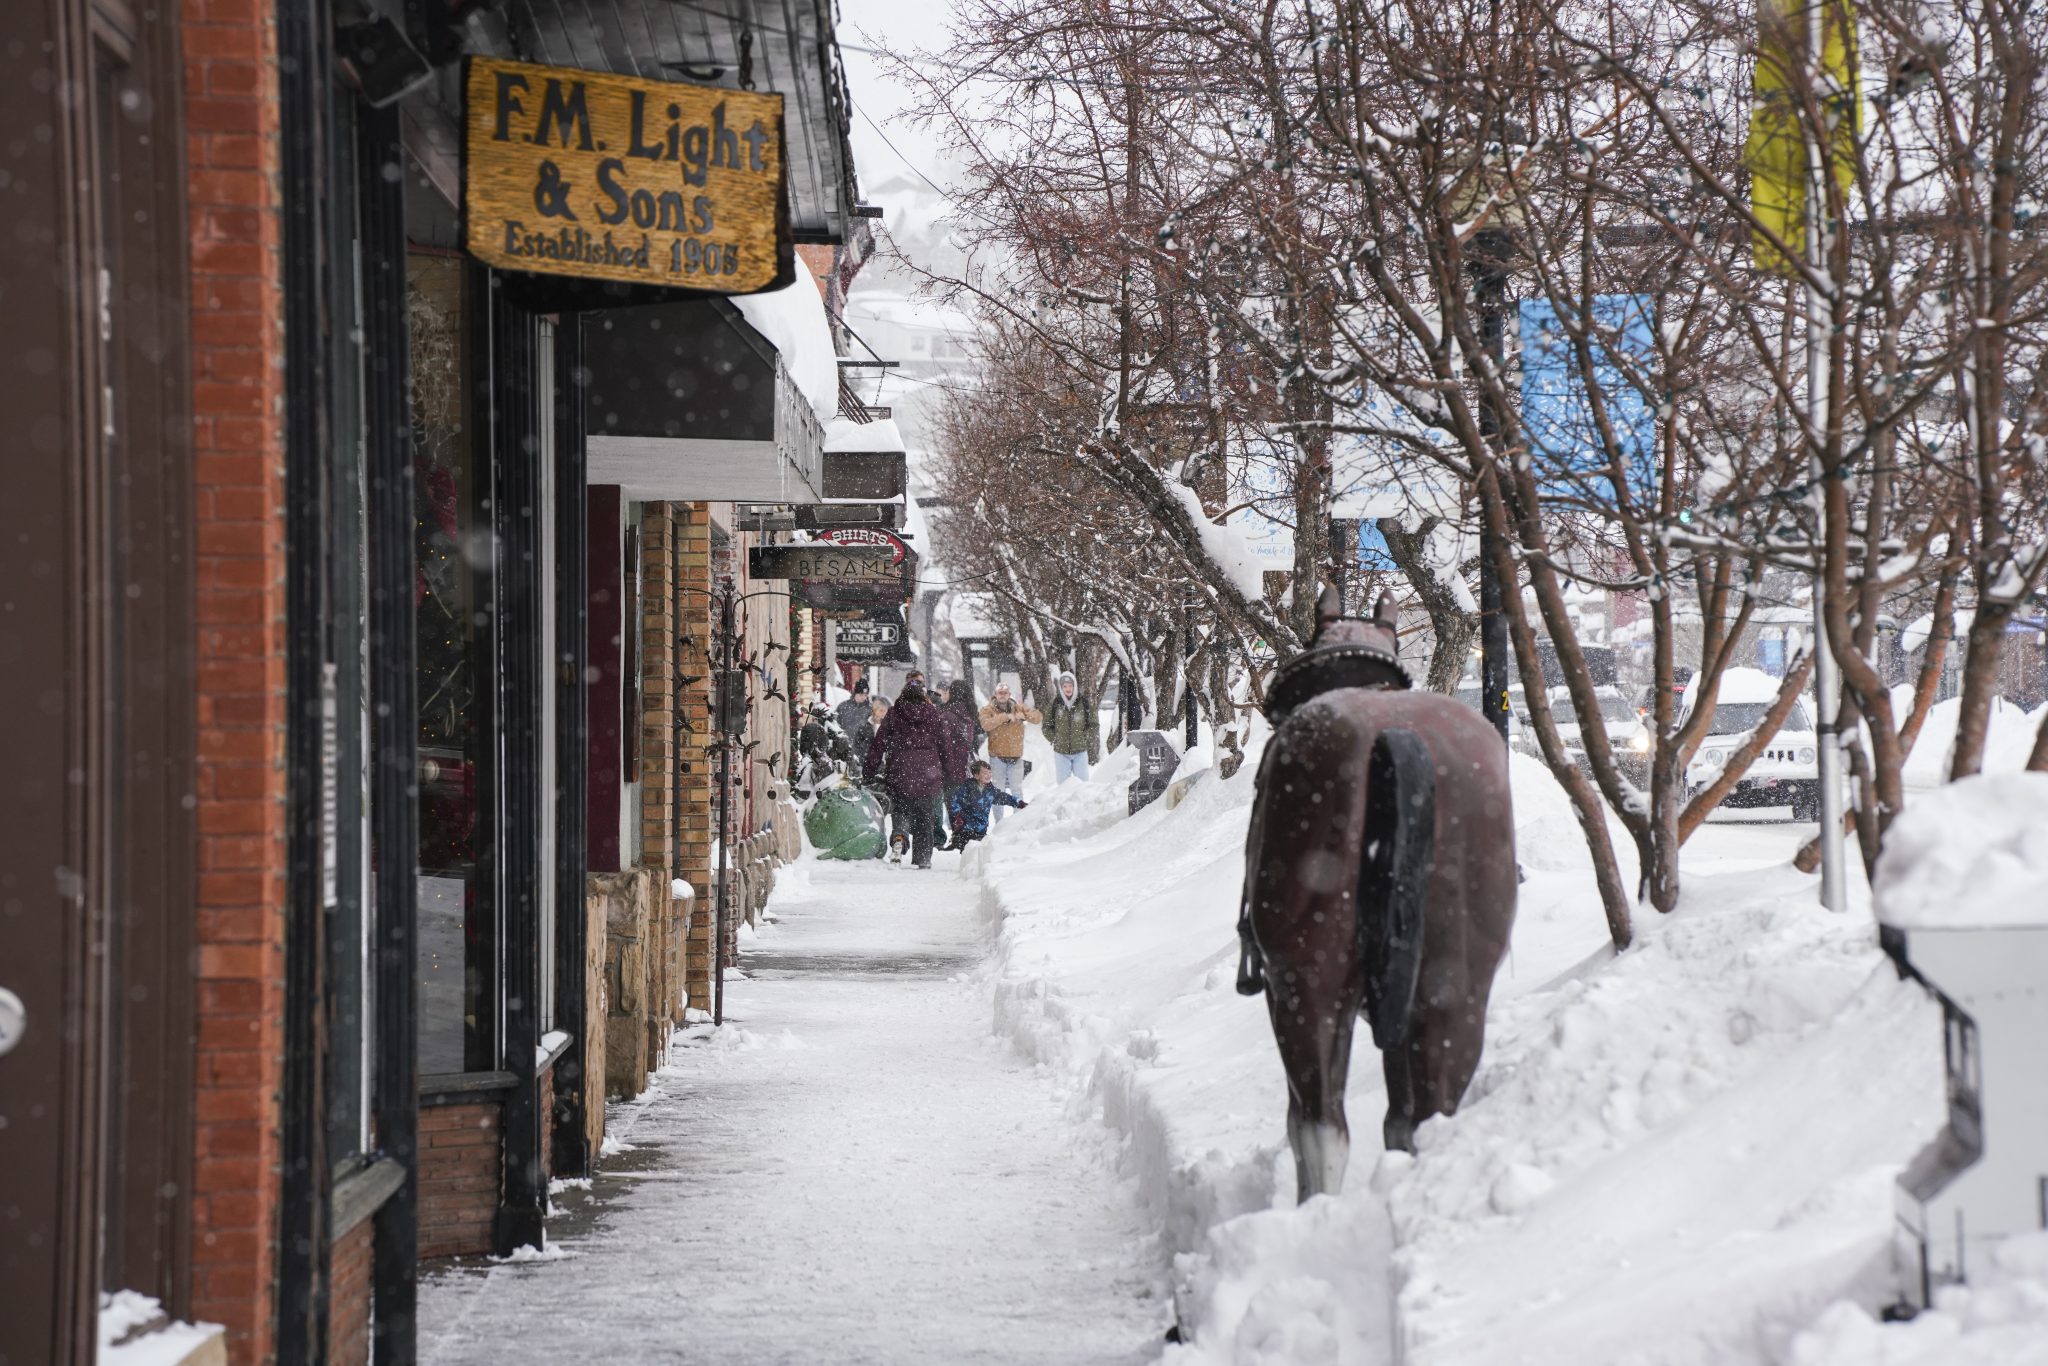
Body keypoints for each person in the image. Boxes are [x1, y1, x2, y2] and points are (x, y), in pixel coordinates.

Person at [864, 682, 963, 869]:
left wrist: (869, 770)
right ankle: (923, 857)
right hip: (928, 772)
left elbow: (879, 743)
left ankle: (899, 836)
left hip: (900, 770)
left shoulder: (894, 713)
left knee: (901, 808)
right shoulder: (933, 713)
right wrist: (950, 772)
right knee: (925, 815)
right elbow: (944, 745)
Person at [978, 682, 1041, 821]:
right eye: (1000, 693)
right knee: (997, 792)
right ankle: (999, 823)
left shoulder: (1018, 707)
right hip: (997, 758)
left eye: (1005, 693)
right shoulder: (988, 709)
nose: (1002, 696)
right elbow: (985, 724)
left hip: (1016, 757)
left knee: (1017, 791)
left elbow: (1038, 717)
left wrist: (1025, 716)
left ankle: (1017, 823)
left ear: (1009, 695)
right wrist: (1005, 717)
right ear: (995, 694)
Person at [932, 680, 980, 849]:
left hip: (950, 767)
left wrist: (946, 766)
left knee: (953, 805)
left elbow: (944, 744)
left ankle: (961, 839)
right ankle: (965, 838)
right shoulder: (969, 714)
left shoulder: (947, 715)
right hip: (965, 766)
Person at [947, 760, 1026, 849]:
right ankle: (957, 843)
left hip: (981, 830)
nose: (989, 775)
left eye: (990, 772)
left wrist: (1018, 802)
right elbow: (955, 802)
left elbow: (1003, 797)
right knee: (970, 850)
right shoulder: (967, 788)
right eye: (985, 773)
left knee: (979, 851)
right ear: (976, 775)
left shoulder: (990, 790)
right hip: (966, 828)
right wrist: (957, 816)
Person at [1042, 670, 1100, 784]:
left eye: (1070, 686)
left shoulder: (1084, 703)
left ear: (1074, 686)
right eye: (1065, 686)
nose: (1068, 689)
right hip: (1061, 753)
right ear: (1061, 688)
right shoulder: (1055, 704)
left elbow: (1094, 725)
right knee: (1063, 786)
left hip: (1080, 752)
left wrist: (1084, 737)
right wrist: (1054, 738)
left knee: (1083, 784)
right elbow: (1046, 726)